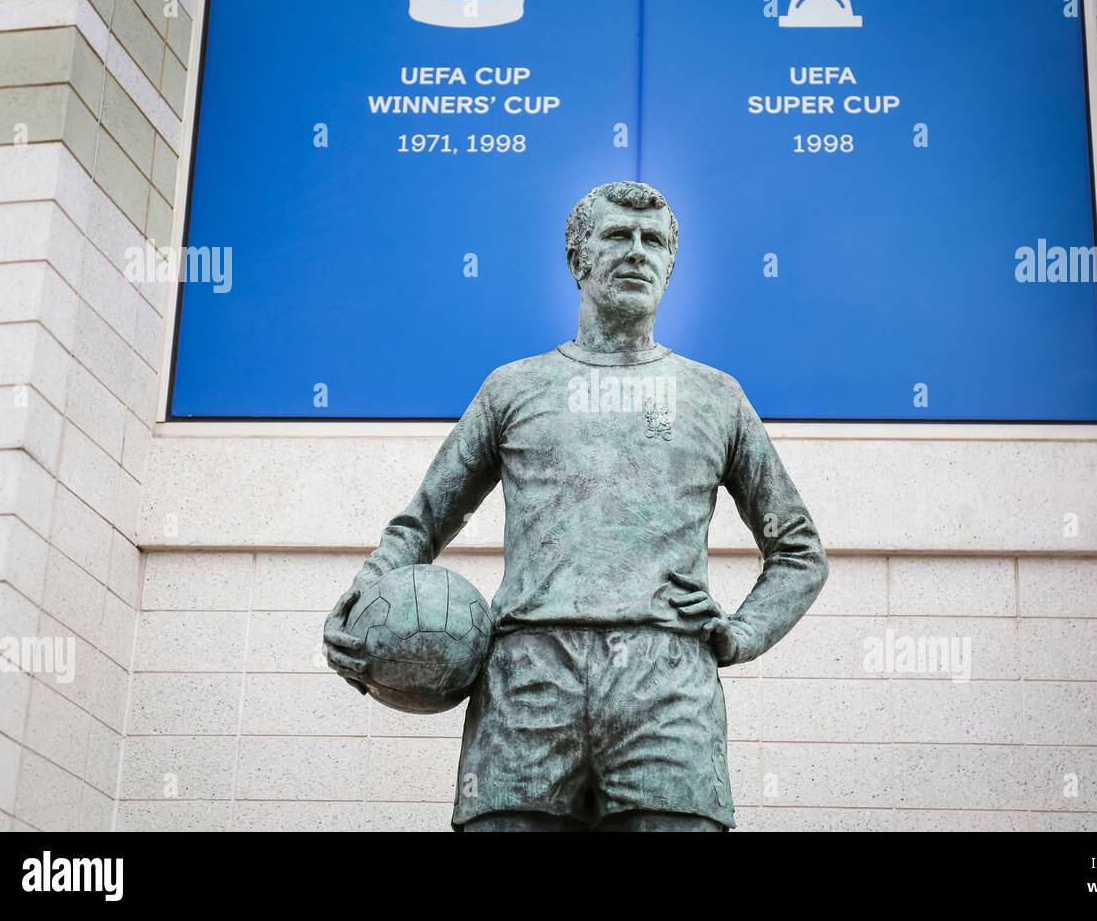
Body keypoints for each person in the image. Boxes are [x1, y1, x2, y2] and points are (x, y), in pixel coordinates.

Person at [323, 181, 828, 831]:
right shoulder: (513, 389)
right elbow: (421, 523)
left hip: (666, 680)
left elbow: (798, 552)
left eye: (654, 243)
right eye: (618, 235)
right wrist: (363, 594)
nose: (638, 252)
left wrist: (744, 631)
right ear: (577, 258)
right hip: (528, 677)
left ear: (671, 265)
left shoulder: (715, 397)